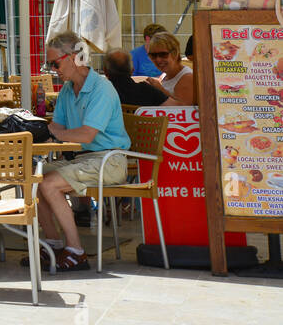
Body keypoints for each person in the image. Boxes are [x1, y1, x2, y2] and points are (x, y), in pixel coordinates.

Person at [35, 30, 131, 272]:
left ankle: (76, 252)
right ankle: (54, 246)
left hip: (109, 159)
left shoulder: (101, 88)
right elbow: (57, 127)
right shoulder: (68, 89)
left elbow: (85, 134)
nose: (52, 69)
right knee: (33, 178)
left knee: (48, 184)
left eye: (54, 63)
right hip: (85, 158)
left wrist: (56, 132)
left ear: (75, 57)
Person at [143, 31, 197, 105]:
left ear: (175, 53)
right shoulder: (165, 75)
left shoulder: (187, 78)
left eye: (163, 54)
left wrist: (159, 90)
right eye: (153, 55)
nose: (158, 59)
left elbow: (184, 110)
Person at [102, 49, 167, 108]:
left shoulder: (100, 94)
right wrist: (161, 89)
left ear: (105, 71)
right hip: (142, 121)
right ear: (132, 70)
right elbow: (173, 107)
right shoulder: (148, 91)